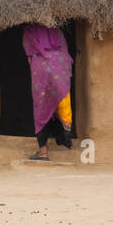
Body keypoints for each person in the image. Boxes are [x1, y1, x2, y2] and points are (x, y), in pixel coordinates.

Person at [21, 24, 73, 160]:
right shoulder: (58, 32)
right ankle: (65, 136)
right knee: (61, 102)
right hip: (62, 67)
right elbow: (66, 53)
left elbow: (29, 56)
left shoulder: (30, 32)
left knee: (42, 108)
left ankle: (43, 152)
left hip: (41, 72)